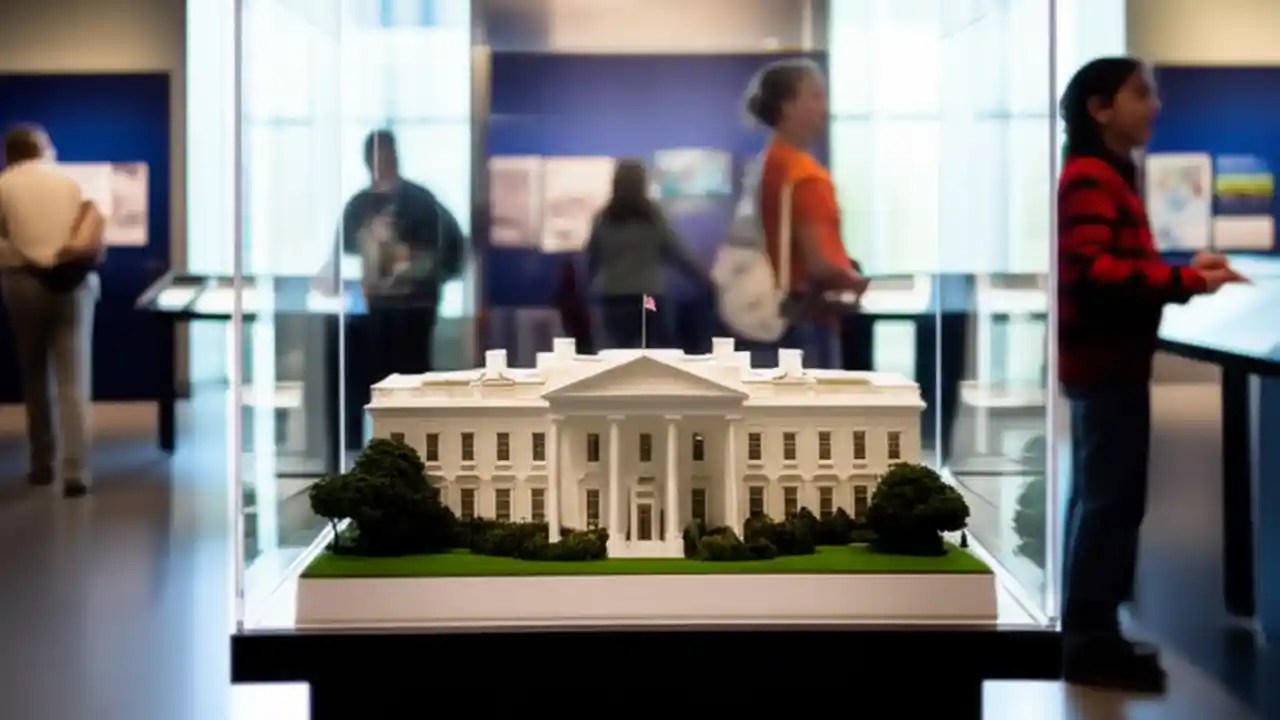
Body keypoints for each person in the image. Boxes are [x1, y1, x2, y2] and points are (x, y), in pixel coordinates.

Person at [1057, 57, 1245, 693]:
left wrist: (1183, 273)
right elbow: (1094, 273)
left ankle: (1094, 633)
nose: (1155, 105)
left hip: (1109, 364)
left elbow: (1113, 266)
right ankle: (1091, 642)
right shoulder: (1090, 178)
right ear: (1100, 108)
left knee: (1106, 500)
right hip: (1105, 366)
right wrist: (1187, 278)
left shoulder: (1103, 175)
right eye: (1141, 94)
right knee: (1109, 503)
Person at [723, 58, 867, 369]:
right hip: (808, 319)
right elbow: (819, 263)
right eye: (815, 96)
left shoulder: (765, 165)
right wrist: (856, 281)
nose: (824, 107)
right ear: (788, 107)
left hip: (773, 311)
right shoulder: (805, 175)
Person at [0, 125, 105, 498]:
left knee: (34, 375)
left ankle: (41, 464)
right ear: (42, 148)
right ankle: (76, 472)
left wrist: (26, 256)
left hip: (23, 284)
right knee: (74, 378)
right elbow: (93, 231)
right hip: (73, 283)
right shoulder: (71, 182)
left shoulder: (4, 185)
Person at [329, 128, 466, 378]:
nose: (380, 162)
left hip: (414, 308)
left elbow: (447, 253)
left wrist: (417, 271)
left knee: (411, 373)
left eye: (385, 155)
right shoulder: (359, 206)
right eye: (376, 156)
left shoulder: (421, 202)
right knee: (379, 375)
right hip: (377, 309)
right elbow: (345, 250)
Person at [584, 159, 706, 349]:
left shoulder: (605, 218)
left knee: (618, 352)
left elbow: (592, 258)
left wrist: (586, 288)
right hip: (649, 296)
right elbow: (676, 252)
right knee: (655, 350)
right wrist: (701, 278)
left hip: (614, 297)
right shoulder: (652, 217)